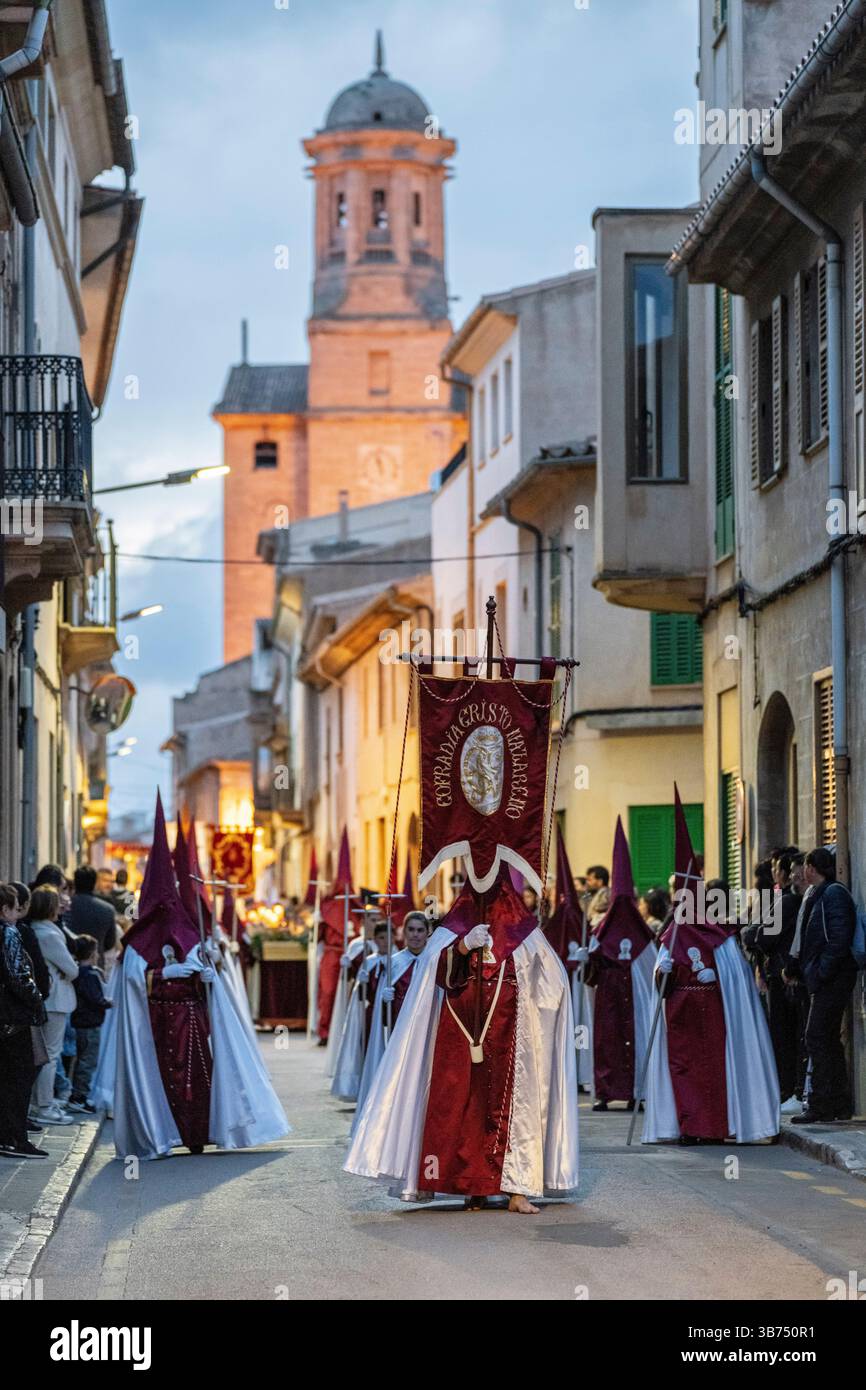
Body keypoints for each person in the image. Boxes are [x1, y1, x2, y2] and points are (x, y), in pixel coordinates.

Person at [347, 867, 579, 1213]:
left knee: (511, 1112)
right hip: (457, 1034)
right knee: (466, 1109)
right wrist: (462, 947)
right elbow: (434, 973)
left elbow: (552, 979)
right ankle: (473, 1188)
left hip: (511, 1035)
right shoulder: (451, 929)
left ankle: (517, 1190)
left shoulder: (523, 931)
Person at [113, 792, 290, 1159]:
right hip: (156, 1021)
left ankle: (198, 1130)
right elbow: (132, 984)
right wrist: (161, 974)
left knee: (195, 1076)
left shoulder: (191, 933)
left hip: (191, 1017)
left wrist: (210, 975)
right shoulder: (137, 944)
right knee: (162, 1076)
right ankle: (163, 1131)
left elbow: (212, 977)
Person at [643, 799, 779, 1146]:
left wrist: (716, 978)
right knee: (684, 1070)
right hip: (682, 1017)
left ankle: (719, 1125)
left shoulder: (723, 941)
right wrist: (664, 971)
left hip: (717, 1018)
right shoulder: (670, 936)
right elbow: (658, 980)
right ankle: (690, 1127)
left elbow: (737, 986)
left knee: (716, 1073)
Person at [582, 819, 657, 1112]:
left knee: (634, 1038)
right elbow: (591, 968)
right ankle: (606, 1090)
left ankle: (636, 1089)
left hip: (634, 995)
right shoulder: (602, 931)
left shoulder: (643, 933)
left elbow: (652, 960)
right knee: (607, 1041)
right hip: (610, 994)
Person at [789, 848, 857, 1124]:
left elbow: (839, 938)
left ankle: (821, 1103)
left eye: (804, 867)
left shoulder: (833, 894)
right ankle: (836, 1103)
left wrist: (821, 971)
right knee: (826, 1039)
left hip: (833, 979)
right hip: (825, 977)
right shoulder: (818, 895)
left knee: (817, 1037)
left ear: (811, 868)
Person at [351, 912, 430, 1127]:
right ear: (403, 933)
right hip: (398, 1030)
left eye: (420, 930)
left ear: (427, 933)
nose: (415, 935)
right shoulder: (393, 962)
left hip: (425, 1031)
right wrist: (382, 996)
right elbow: (373, 1001)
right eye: (411, 930)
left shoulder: (433, 961)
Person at [746, 850, 803, 1112]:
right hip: (783, 973)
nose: (777, 873)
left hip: (781, 975)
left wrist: (750, 932)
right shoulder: (785, 900)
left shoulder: (788, 902)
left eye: (779, 869)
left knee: (783, 1036)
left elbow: (763, 936)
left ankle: (788, 1089)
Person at [0, 884, 49, 1159]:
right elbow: (17, 975)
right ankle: (15, 1138)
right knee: (18, 1080)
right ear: (5, 909)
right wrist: (36, 1001)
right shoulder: (8, 932)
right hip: (13, 1017)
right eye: (14, 908)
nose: (17, 913)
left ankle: (7, 1136)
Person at [27, 885, 79, 1127]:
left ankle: (39, 1101)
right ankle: (44, 1104)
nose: (61, 906)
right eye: (57, 902)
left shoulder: (36, 930)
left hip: (48, 999)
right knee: (50, 1054)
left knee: (44, 1052)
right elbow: (72, 969)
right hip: (55, 1000)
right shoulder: (48, 934)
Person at [68, 935, 111, 1114]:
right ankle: (79, 1097)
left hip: (79, 1022)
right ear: (93, 953)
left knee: (81, 1059)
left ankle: (77, 1093)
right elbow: (95, 999)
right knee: (87, 1061)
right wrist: (108, 1002)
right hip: (90, 1025)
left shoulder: (77, 973)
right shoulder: (91, 975)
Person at [69, 867, 117, 967]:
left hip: (69, 963)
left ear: (75, 882)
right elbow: (110, 942)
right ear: (95, 883)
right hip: (95, 962)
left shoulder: (65, 906)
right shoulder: (107, 909)